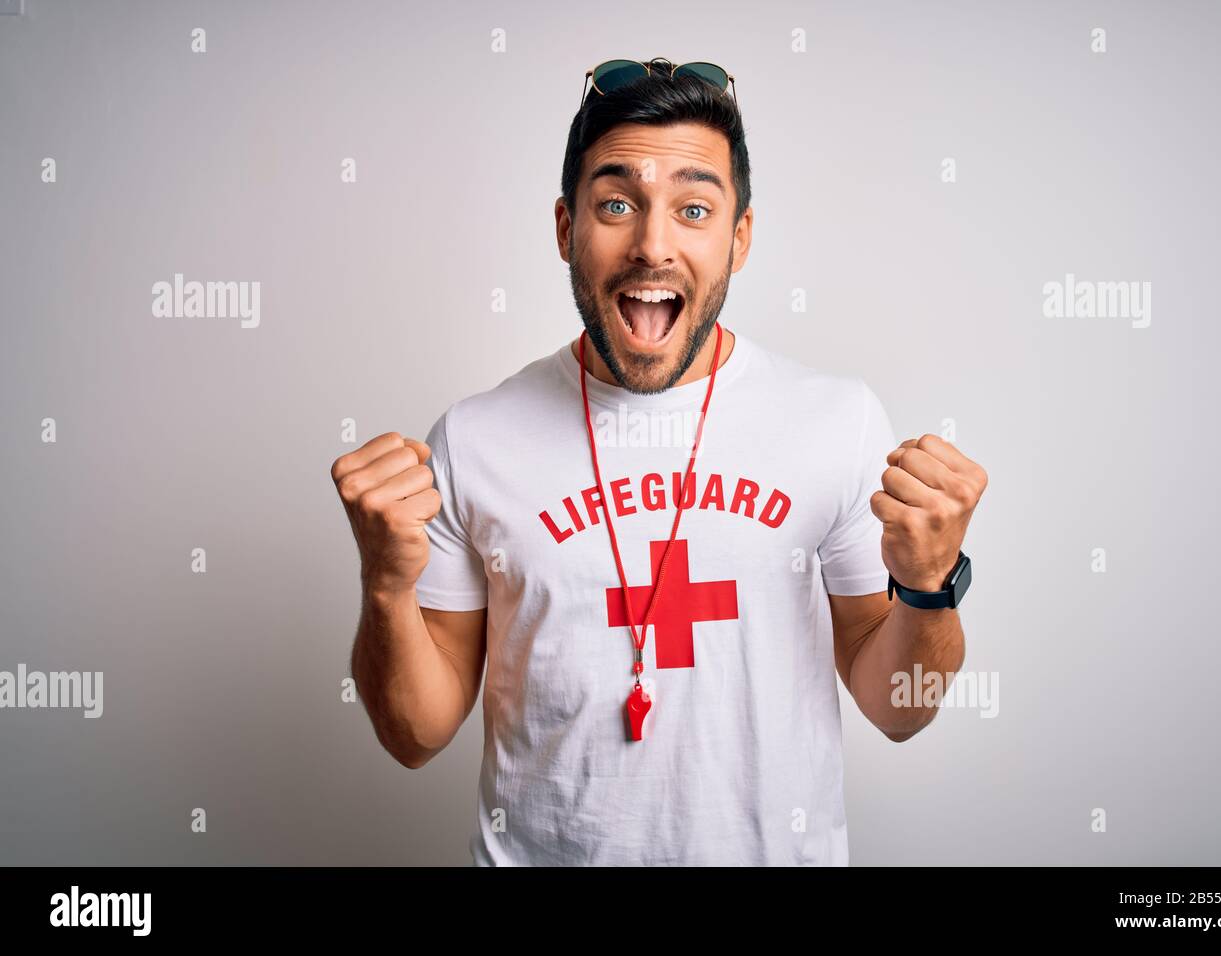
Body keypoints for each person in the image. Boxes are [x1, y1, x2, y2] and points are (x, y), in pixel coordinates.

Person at [330, 58, 988, 866]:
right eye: (616, 204)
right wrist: (385, 585)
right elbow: (414, 735)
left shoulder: (836, 422)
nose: (652, 245)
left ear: (738, 238)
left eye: (693, 208)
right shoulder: (474, 440)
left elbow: (898, 710)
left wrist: (930, 584)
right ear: (567, 228)